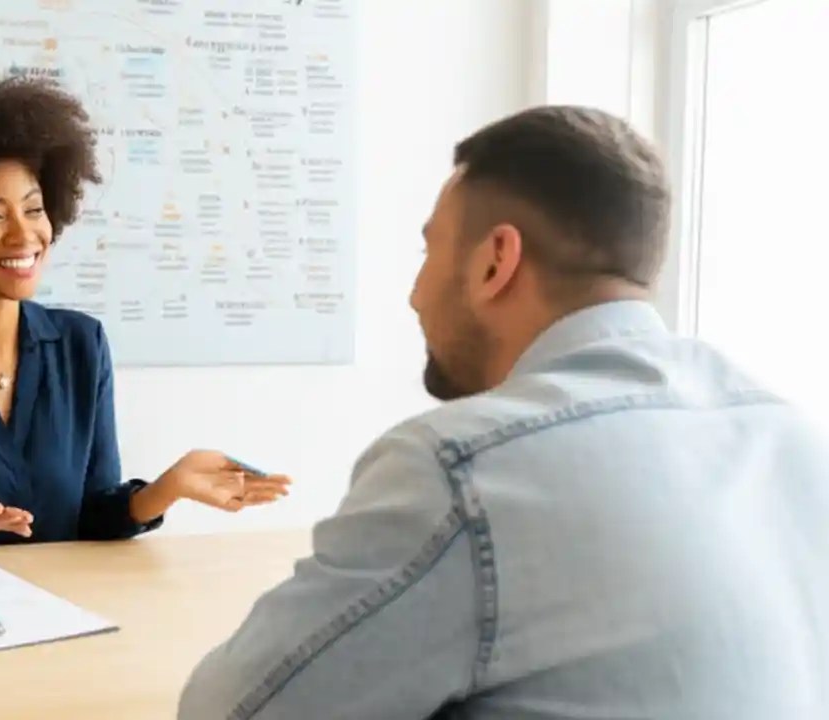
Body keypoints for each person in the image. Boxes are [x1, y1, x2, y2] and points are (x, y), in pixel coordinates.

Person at [178, 106, 829, 719]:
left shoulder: (466, 467)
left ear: (496, 260)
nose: (413, 293)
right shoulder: (792, 437)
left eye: (429, 250)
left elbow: (233, 709)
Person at [0, 76, 291, 574]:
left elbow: (91, 516)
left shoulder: (80, 344)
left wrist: (166, 488)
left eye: (34, 209)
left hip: (59, 613)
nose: (24, 236)